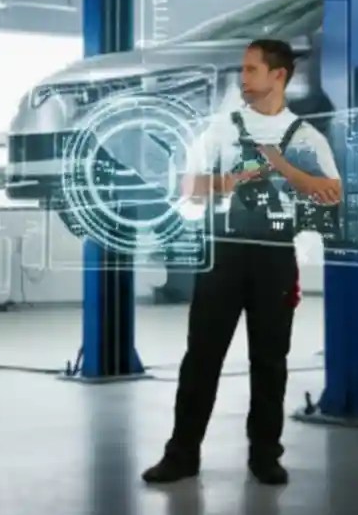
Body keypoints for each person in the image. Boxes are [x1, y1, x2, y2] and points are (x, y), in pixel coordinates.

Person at [142, 38, 342, 486]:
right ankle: (182, 454)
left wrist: (284, 168)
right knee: (202, 359)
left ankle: (265, 456)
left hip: (275, 260)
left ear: (279, 76)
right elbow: (188, 188)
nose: (242, 78)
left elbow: (333, 193)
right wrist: (231, 180)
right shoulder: (220, 130)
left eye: (252, 70)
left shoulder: (306, 138)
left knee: (270, 361)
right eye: (242, 70)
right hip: (222, 257)